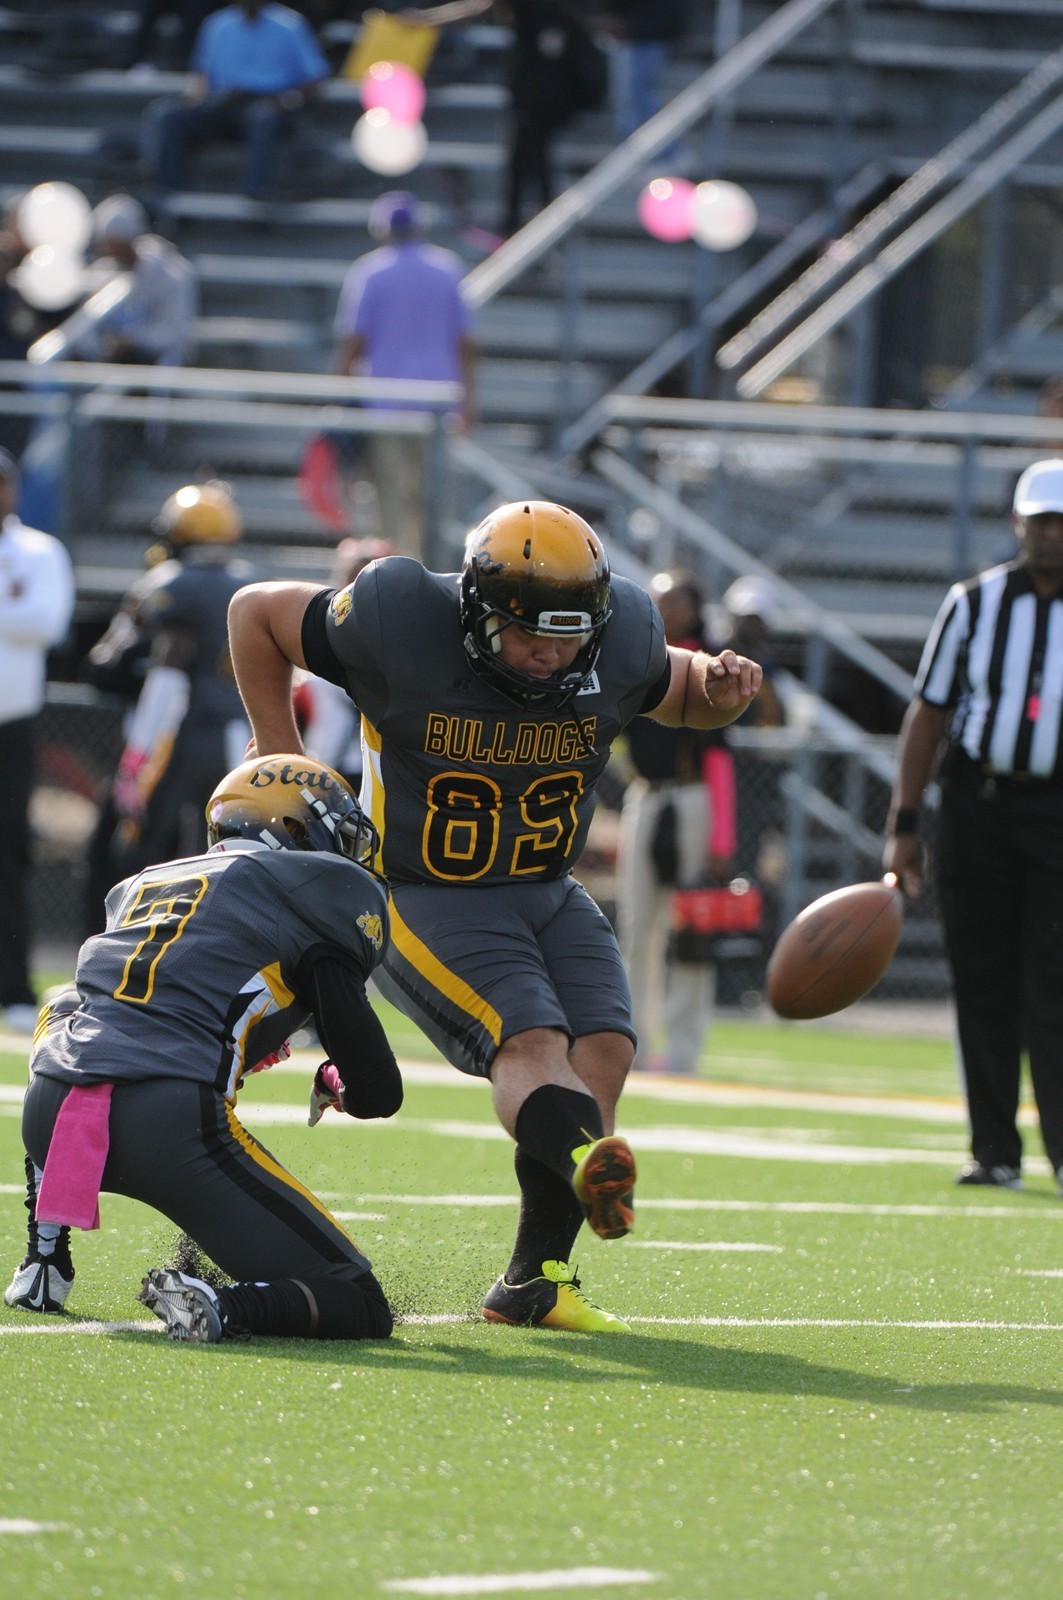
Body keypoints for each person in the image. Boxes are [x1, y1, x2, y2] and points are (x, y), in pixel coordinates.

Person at [227, 500, 762, 1330]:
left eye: (567, 636)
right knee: (534, 1043)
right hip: (419, 890)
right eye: (528, 635)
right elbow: (254, 613)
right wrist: (274, 747)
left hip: (547, 885)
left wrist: (723, 690)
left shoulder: (614, 638)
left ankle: (533, 1282)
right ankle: (586, 1160)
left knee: (606, 1052)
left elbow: (684, 693)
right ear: (476, 612)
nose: (550, 655)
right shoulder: (400, 621)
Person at [4, 754, 401, 1342]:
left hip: (51, 1114)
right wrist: (336, 1079)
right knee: (358, 1301)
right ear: (295, 828)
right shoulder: (314, 891)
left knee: (64, 1009)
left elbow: (140, 1008)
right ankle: (220, 1305)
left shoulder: (143, 884)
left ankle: (44, 1258)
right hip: (169, 1126)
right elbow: (379, 1092)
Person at [883, 458, 1063, 1198]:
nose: (1051, 534)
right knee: (981, 980)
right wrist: (903, 824)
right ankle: (993, 1147)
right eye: (1041, 520)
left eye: (1062, 521)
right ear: (1017, 524)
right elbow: (927, 714)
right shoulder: (972, 603)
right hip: (977, 808)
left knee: (1053, 986)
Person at [615, 570, 736, 1075]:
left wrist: (721, 836)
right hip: (645, 798)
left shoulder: (708, 664)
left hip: (692, 800)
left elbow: (718, 757)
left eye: (674, 602)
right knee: (637, 928)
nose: (664, 610)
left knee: (691, 931)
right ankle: (633, 1044)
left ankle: (685, 1051)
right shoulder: (639, 659)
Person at [108, 480, 256, 888]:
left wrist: (139, 750)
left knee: (144, 845)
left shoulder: (171, 584)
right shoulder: (249, 582)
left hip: (180, 732)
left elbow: (156, 672)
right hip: (237, 731)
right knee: (221, 849)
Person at [333, 192, 476, 563]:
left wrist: (340, 402)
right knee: (431, 501)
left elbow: (352, 344)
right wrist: (469, 400)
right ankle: (430, 574)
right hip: (438, 407)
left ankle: (393, 579)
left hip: (385, 408)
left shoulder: (369, 271)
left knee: (390, 505)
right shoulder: (447, 268)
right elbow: (466, 344)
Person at [402, 1, 606, 237]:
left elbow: (476, 10)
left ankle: (528, 229)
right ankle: (530, 228)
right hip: (540, 94)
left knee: (529, 164)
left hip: (541, 95)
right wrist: (426, 19)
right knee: (528, 163)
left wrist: (425, 19)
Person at [0, 449, 76, 1035]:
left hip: (10, 723)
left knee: (8, 857)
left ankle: (12, 986)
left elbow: (47, 621)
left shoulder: (39, 551)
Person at [143, 0, 330, 201]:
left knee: (263, 118)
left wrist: (291, 98)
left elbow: (315, 76)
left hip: (270, 103)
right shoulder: (217, 23)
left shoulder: (290, 24)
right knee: (168, 115)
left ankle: (257, 194)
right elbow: (203, 74)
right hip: (223, 104)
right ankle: (170, 193)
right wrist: (193, 97)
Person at [300, 537, 397, 788]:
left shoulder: (402, 647)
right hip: (327, 772)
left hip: (376, 773)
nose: (362, 591)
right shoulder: (321, 637)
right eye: (355, 579)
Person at [68, 196, 197, 368]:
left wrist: (136, 341)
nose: (105, 251)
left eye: (111, 244)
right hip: (109, 363)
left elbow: (175, 332)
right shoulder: (103, 272)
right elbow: (84, 329)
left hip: (156, 362)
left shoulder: (173, 274)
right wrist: (103, 347)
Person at [596, 0, 688, 142]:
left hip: (646, 36)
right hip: (636, 37)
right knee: (631, 98)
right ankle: (633, 144)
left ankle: (666, 149)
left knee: (640, 97)